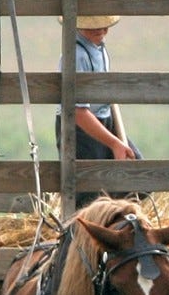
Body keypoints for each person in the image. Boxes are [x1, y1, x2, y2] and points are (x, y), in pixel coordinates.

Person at [55, 15, 144, 208]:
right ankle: (83, 232)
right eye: (93, 27)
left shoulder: (100, 48)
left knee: (137, 174)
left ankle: (119, 223)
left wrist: (116, 139)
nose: (101, 31)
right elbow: (78, 112)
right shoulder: (75, 56)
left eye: (104, 26)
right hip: (81, 128)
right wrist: (113, 143)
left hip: (105, 119)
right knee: (89, 190)